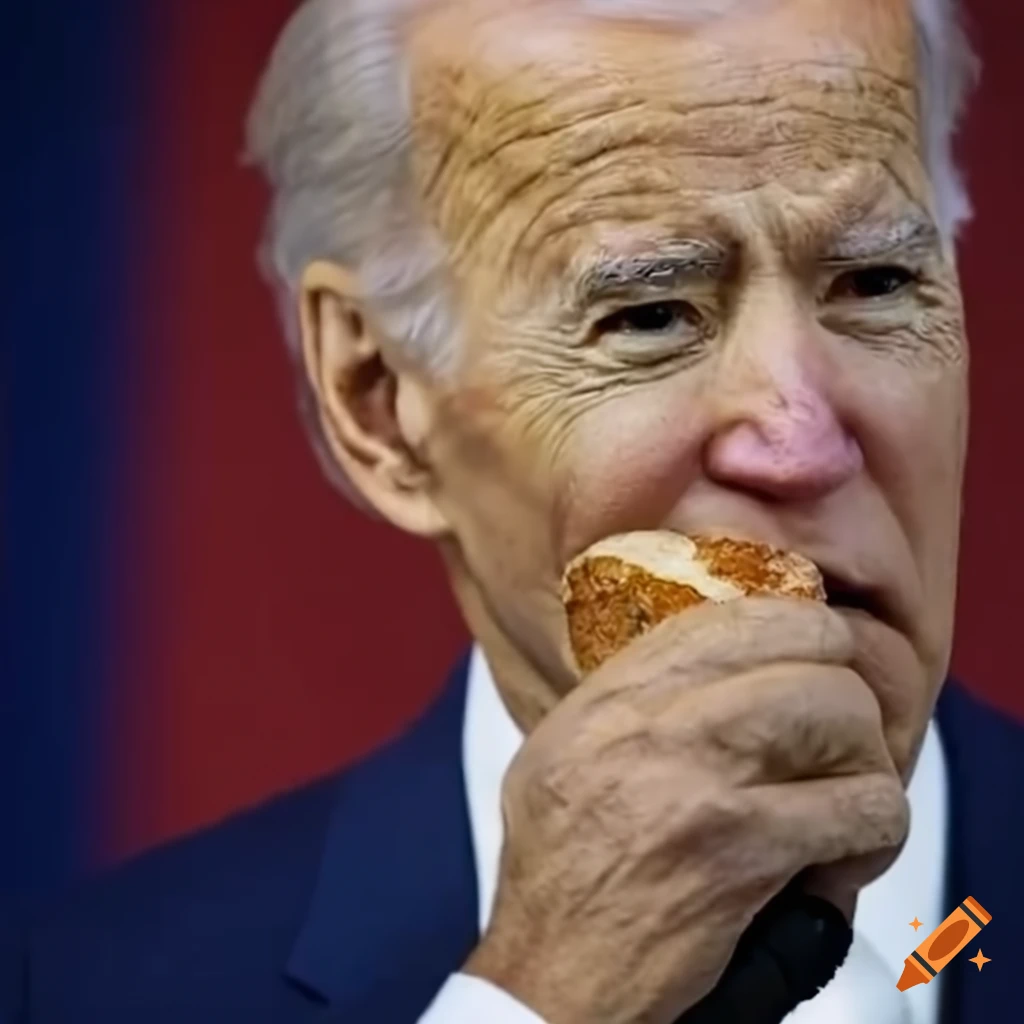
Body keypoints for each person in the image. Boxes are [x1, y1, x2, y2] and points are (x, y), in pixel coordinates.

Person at [3, 0, 1022, 1021]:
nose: (802, 444)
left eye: (878, 281)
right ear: (379, 401)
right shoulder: (96, 989)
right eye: (650, 316)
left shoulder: (971, 931)